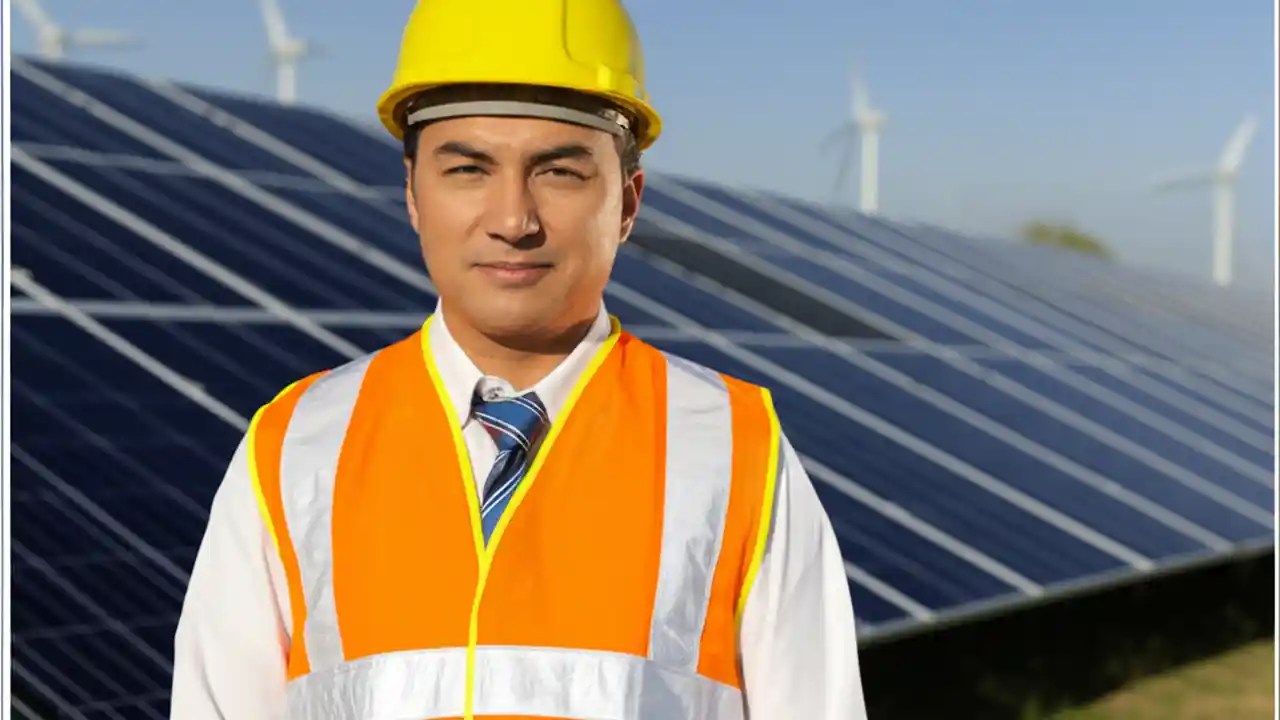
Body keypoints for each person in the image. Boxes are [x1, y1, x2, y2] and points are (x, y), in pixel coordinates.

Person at [170, 1, 867, 717]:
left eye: (558, 172)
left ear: (628, 203)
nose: (512, 220)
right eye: (468, 169)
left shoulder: (736, 450)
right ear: (412, 193)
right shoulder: (292, 450)